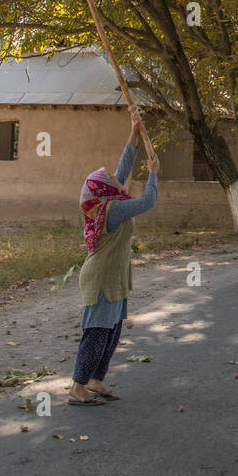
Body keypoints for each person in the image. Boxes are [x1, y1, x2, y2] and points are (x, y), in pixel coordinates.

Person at [69, 107, 158, 406]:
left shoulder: (108, 200)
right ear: (107, 190)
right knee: (96, 333)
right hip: (101, 279)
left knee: (112, 332)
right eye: (112, 179)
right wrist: (153, 173)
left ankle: (95, 380)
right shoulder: (113, 208)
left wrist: (133, 133)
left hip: (114, 277)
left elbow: (123, 169)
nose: (118, 179)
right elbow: (148, 200)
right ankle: (77, 386)